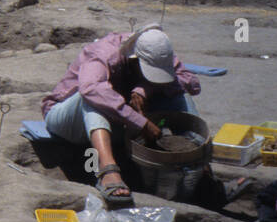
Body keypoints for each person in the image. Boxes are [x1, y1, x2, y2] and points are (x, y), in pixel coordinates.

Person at [40, 24, 200, 207]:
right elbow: (90, 89)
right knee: (95, 98)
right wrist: (141, 122)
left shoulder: (158, 51)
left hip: (115, 124)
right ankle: (108, 171)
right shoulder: (103, 52)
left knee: (179, 96)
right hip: (68, 119)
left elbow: (192, 83)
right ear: (134, 58)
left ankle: (201, 167)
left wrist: (145, 88)